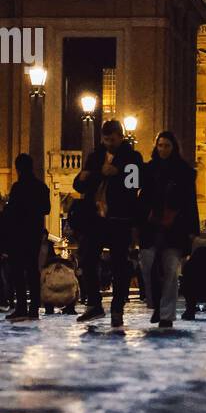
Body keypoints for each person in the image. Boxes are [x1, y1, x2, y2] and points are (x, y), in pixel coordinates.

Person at [72, 120, 144, 328]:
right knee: (87, 259)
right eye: (106, 140)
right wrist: (95, 173)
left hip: (119, 218)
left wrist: (118, 173)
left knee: (120, 264)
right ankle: (94, 303)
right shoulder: (95, 156)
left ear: (121, 137)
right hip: (94, 217)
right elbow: (79, 183)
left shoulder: (132, 157)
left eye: (113, 140)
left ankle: (117, 308)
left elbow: (135, 184)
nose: (109, 144)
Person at [137, 132, 200, 329]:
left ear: (174, 148)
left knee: (171, 272)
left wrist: (192, 230)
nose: (163, 149)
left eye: (167, 146)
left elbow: (191, 202)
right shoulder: (146, 170)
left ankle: (166, 315)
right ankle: (156, 304)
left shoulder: (185, 172)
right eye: (160, 145)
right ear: (156, 147)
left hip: (175, 229)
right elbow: (137, 196)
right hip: (150, 226)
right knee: (147, 267)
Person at [1, 154, 51, 321]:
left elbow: (12, 211)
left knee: (17, 270)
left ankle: (21, 306)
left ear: (18, 168)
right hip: (34, 232)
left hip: (18, 234)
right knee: (32, 270)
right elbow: (46, 209)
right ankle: (34, 308)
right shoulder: (41, 187)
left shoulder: (18, 187)